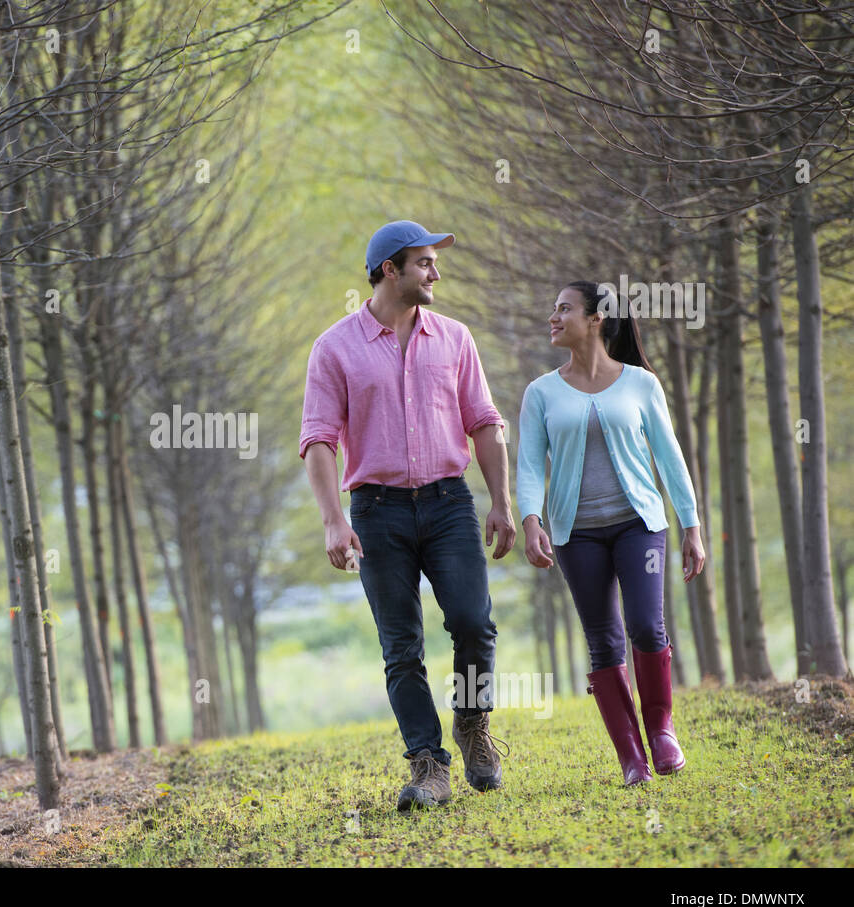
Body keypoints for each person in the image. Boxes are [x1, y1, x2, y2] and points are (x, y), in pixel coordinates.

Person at [299, 220, 517, 810]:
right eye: (424, 263)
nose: (435, 273)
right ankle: (427, 763)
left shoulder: (455, 338)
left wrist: (501, 501)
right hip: (377, 512)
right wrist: (332, 520)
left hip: (449, 503)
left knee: (473, 622)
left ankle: (472, 726)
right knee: (401, 646)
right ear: (389, 269)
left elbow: (485, 423)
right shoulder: (334, 348)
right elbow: (319, 440)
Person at [516, 281, 706, 786]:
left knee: (646, 626)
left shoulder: (641, 384)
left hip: (638, 525)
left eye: (564, 309)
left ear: (596, 318)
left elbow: (670, 458)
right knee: (603, 640)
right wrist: (530, 520)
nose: (553, 317)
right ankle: (631, 758)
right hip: (576, 533)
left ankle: (661, 731)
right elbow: (531, 465)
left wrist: (692, 526)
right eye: (553, 308)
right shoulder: (541, 393)